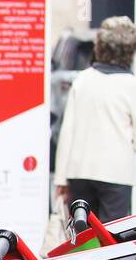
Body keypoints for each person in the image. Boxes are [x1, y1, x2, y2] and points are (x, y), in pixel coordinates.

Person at [54, 16, 136, 221]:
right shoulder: (130, 86)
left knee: (82, 236)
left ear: (99, 46)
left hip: (79, 171)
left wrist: (61, 178)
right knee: (113, 238)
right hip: (116, 173)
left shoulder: (83, 80)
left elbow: (67, 132)